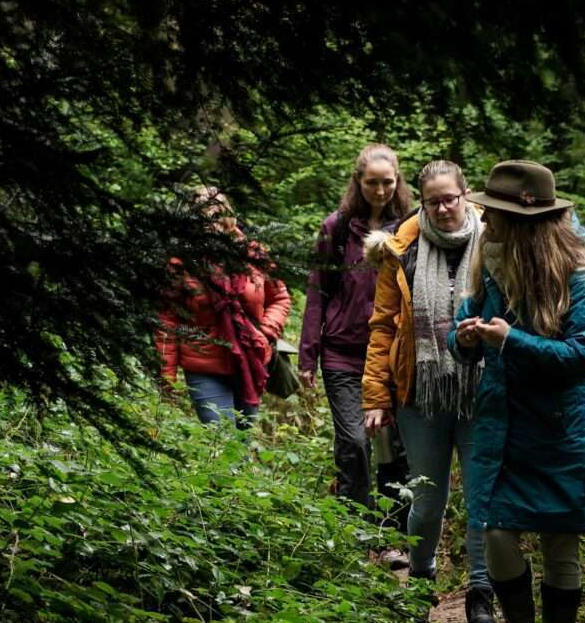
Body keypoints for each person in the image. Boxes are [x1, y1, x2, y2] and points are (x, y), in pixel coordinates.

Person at [449, 160, 585, 623]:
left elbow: (581, 356)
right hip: (504, 423)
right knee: (496, 531)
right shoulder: (490, 260)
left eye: (494, 213)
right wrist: (464, 338)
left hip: (562, 426)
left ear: (524, 222)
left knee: (560, 541)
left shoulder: (580, 270)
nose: (484, 221)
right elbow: (465, 324)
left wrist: (510, 340)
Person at [363, 161, 499, 623]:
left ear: (466, 196)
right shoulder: (401, 249)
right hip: (419, 392)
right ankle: (421, 584)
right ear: (420, 202)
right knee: (426, 499)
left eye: (450, 199)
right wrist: (375, 396)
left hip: (481, 388)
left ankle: (481, 594)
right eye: (432, 201)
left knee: (481, 498)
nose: (442, 209)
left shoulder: (495, 242)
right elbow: (383, 325)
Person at [299, 144, 413, 561]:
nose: (380, 190)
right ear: (358, 182)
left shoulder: (410, 228)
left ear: (398, 181)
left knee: (393, 447)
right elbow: (318, 291)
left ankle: (394, 537)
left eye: (388, 182)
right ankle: (355, 536)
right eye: (372, 182)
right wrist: (307, 355)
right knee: (354, 442)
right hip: (342, 353)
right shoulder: (337, 227)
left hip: (392, 354)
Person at [156, 190, 291, 426]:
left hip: (249, 360)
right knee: (221, 437)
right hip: (204, 364)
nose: (210, 223)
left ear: (228, 217)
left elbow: (279, 298)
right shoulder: (181, 264)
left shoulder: (253, 254)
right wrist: (167, 376)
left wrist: (266, 331)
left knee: (242, 439)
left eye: (216, 215)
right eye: (202, 217)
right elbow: (168, 320)